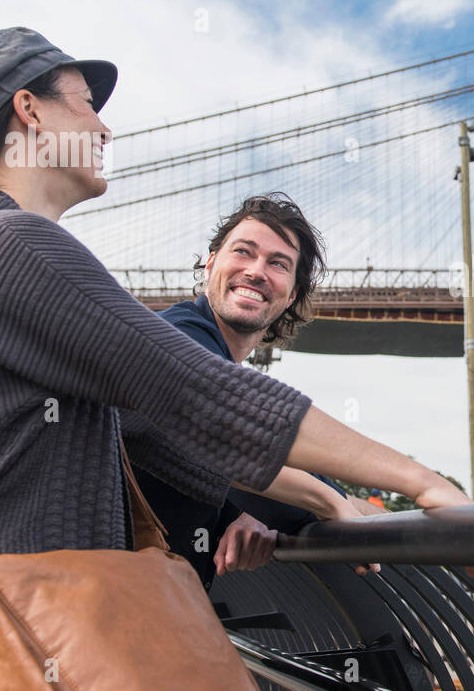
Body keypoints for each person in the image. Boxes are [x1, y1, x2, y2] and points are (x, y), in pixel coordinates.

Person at [0, 27, 474, 691]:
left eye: (280, 265)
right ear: (30, 110)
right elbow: (201, 394)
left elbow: (156, 434)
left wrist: (315, 504)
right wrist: (424, 482)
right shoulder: (6, 243)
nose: (103, 125)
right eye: (85, 103)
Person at [121, 192, 390, 589]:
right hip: (95, 612)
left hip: (146, 608)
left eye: (278, 263)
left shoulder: (209, 353)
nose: (256, 271)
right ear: (211, 261)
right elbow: (234, 436)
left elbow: (185, 457)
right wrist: (331, 502)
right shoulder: (175, 337)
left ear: (292, 295)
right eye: (243, 252)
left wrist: (234, 513)